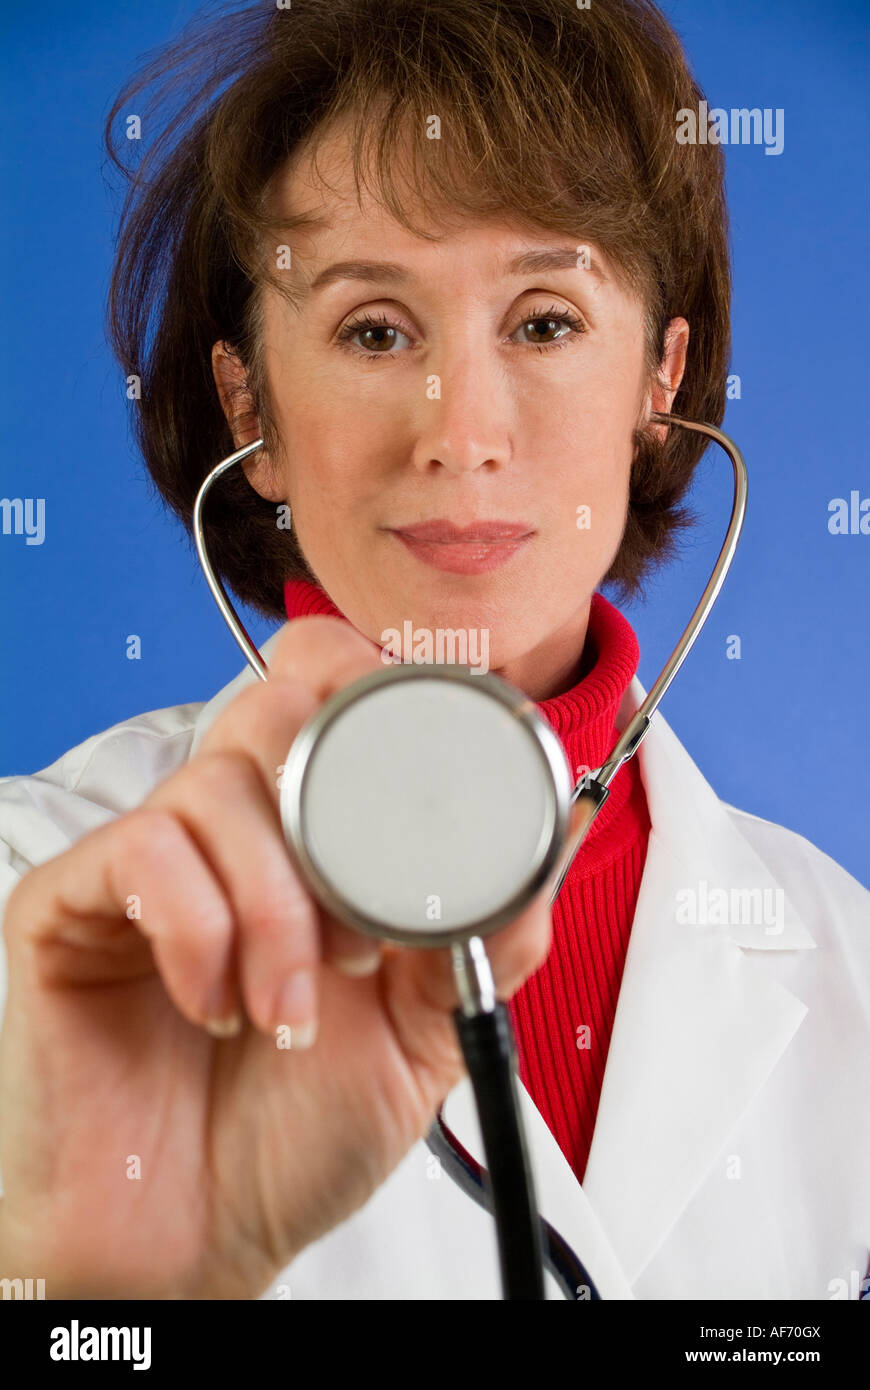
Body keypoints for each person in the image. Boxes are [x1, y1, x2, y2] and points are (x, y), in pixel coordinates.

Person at [0, 0, 867, 1301]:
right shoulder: (34, 902)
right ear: (253, 409)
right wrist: (96, 1298)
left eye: (543, 321)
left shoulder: (839, 956)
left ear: (660, 380)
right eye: (372, 330)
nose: (458, 432)